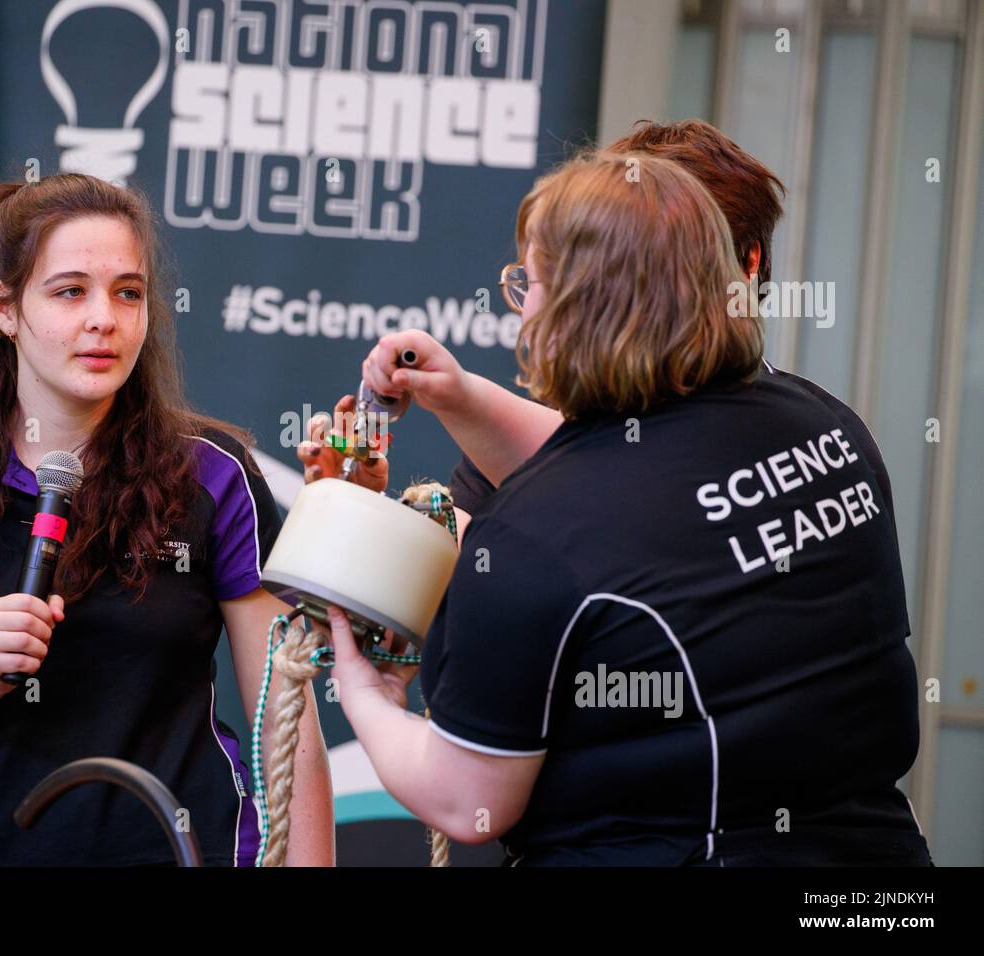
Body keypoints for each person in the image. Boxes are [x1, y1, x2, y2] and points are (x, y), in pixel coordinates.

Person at [311, 148, 931, 865]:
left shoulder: (532, 540)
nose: (522, 306)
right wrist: (463, 395)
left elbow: (466, 799)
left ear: (578, 309)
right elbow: (658, 497)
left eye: (529, 284)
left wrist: (365, 692)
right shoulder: (826, 426)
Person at [0, 173, 333, 866]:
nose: (104, 317)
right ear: (5, 309)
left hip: (184, 849)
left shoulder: (213, 476)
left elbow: (285, 724)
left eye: (127, 292)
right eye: (71, 291)